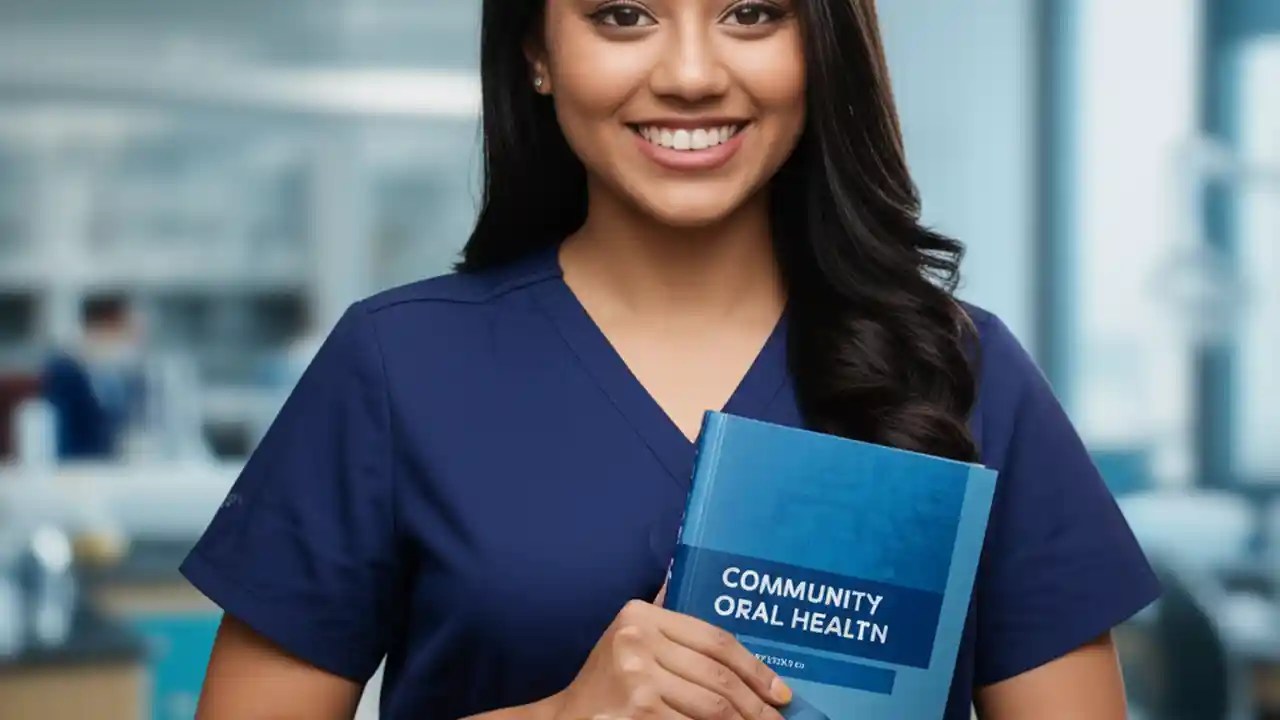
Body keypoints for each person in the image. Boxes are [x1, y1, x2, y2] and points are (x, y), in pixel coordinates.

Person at [182, 1, 1160, 718]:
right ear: (536, 53)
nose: (691, 73)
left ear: (821, 46)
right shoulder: (397, 367)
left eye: (751, 13)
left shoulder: (963, 373)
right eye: (621, 16)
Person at [40, 296, 143, 460]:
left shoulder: (115, 371)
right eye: (123, 329)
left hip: (111, 465)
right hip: (78, 466)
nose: (127, 340)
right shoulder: (65, 372)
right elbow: (62, 438)